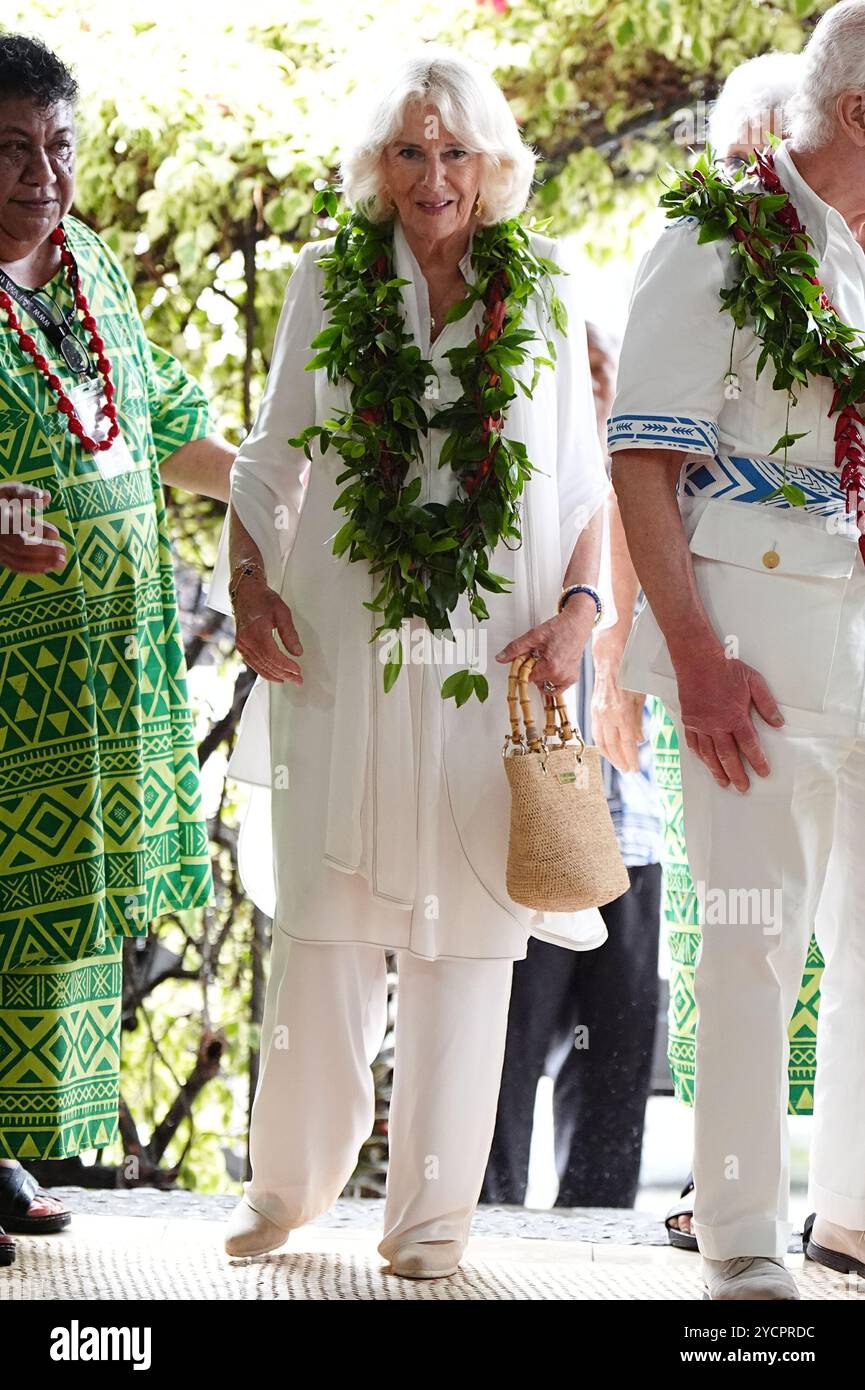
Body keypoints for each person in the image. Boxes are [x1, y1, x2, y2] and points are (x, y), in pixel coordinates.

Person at [215, 45, 611, 1279]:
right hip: (343, 640)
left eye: (453, 151)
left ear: (491, 164)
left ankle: (431, 1224)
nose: (432, 175)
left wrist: (581, 610)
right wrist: (245, 579)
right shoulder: (328, 280)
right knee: (329, 929)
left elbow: (589, 484)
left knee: (468, 942)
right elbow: (272, 454)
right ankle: (286, 1193)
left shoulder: (541, 285)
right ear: (376, 164)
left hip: (492, 651)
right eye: (408, 150)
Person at [608, 0, 865, 1299]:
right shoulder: (710, 233)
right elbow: (639, 453)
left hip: (862, 639)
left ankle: (856, 1216)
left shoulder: (863, 255)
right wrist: (692, 651)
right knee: (756, 930)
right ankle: (744, 1238)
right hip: (750, 637)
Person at [0, 35, 234, 1267]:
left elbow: (164, 417)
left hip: (101, 667)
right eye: (13, 147)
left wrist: (268, 486)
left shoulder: (87, 263)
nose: (43, 173)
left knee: (55, 916)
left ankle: (1, 1151)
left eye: (59, 146)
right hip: (5, 679)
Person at [481, 322, 663, 1210]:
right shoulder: (528, 507)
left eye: (599, 382)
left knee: (618, 1052)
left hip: (635, 829)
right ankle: (488, 1214)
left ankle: (601, 1231)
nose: (591, 398)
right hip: (539, 823)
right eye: (577, 383)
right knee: (509, 1041)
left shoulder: (650, 505)